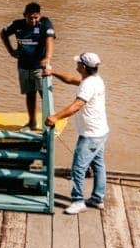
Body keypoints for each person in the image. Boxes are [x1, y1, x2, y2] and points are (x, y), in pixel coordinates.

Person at [45, 52, 108, 214]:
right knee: (98, 165)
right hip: (100, 131)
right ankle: (97, 198)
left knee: (78, 168)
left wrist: (55, 117)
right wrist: (53, 72)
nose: (77, 65)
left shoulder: (88, 85)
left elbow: (77, 105)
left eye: (79, 63)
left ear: (85, 67)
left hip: (90, 135)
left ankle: (78, 201)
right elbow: (72, 80)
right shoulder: (94, 80)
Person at [0, 2, 55, 129]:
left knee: (45, 95)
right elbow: (3, 34)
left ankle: (51, 123)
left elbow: (49, 40)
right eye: (31, 17)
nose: (34, 20)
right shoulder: (17, 24)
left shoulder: (45, 23)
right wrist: (11, 51)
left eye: (36, 17)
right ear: (25, 15)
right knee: (30, 94)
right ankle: (32, 122)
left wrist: (47, 58)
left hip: (40, 67)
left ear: (40, 16)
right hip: (24, 66)